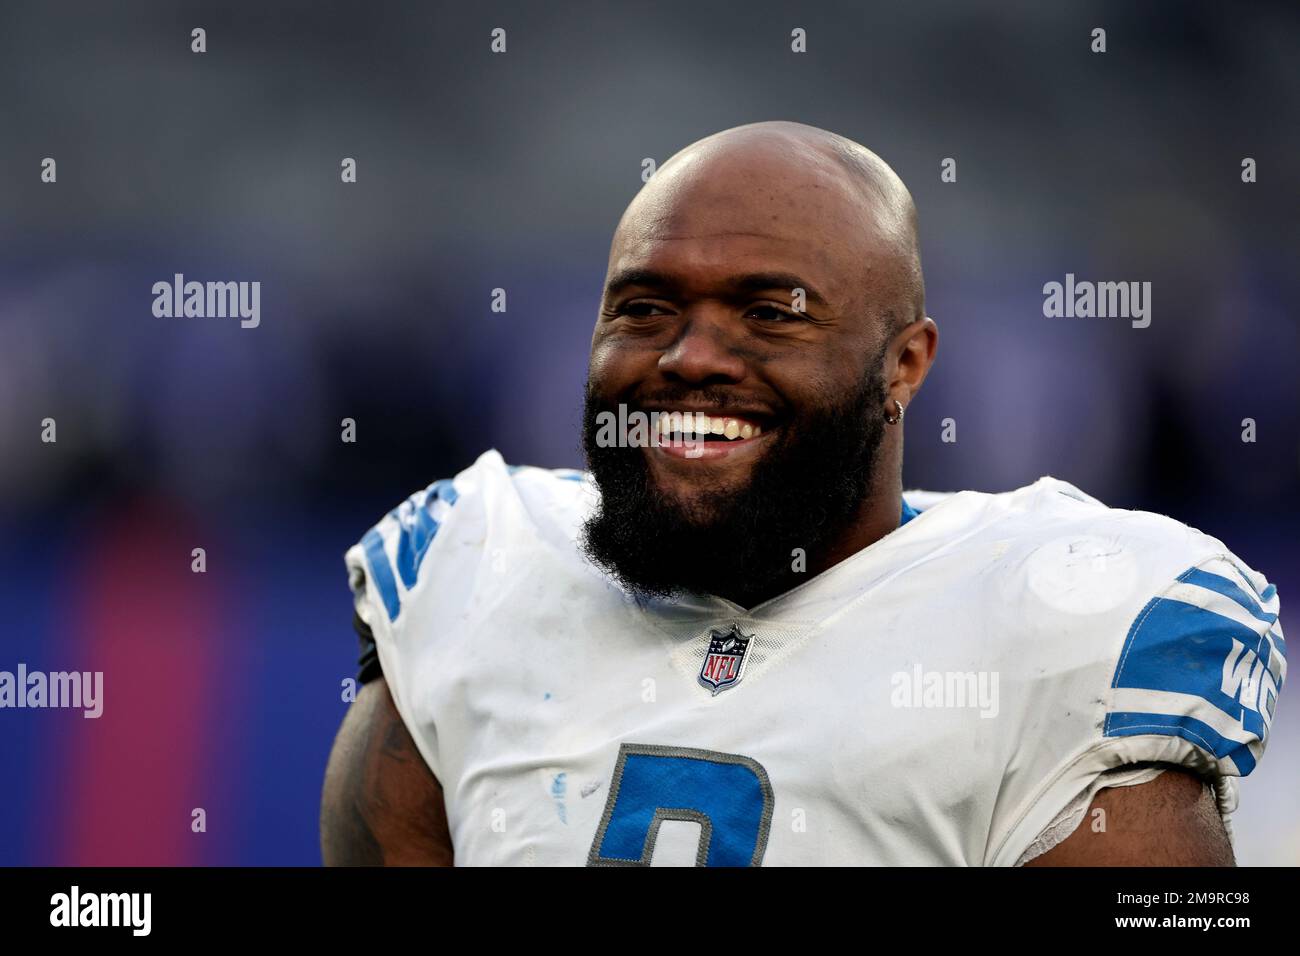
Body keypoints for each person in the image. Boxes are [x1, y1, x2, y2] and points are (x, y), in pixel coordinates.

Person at [320, 121, 1284, 866]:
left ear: (903, 364)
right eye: (646, 308)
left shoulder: (1065, 619)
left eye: (770, 313)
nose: (690, 357)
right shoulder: (473, 564)